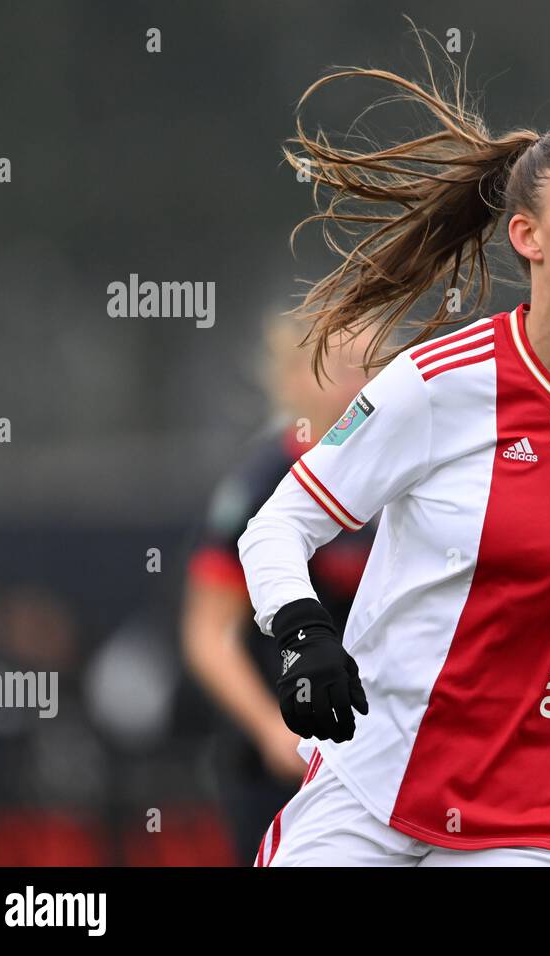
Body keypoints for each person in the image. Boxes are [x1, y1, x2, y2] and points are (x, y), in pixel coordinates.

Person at [237, 51, 550, 867]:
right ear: (526, 235)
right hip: (373, 777)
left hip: (534, 817)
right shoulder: (436, 383)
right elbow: (278, 526)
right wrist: (303, 634)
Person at [181, 309, 378, 864]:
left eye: (373, 365)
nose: (361, 384)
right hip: (282, 762)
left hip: (384, 758)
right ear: (295, 381)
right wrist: (272, 730)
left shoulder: (402, 478)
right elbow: (208, 636)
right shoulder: (260, 485)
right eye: (341, 367)